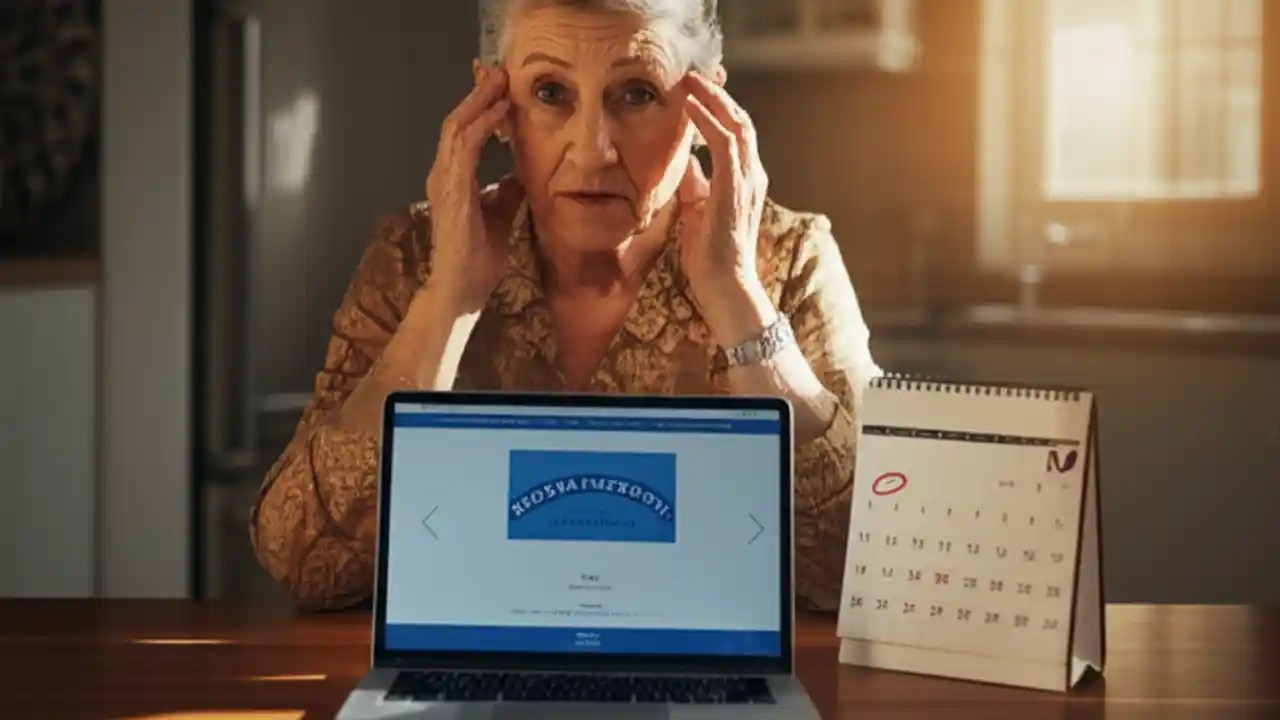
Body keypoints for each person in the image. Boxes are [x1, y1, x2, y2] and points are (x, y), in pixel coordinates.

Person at [249, 0, 882, 613]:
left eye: (637, 94)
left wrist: (736, 292)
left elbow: (872, 569)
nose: (592, 150)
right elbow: (303, 559)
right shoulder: (417, 256)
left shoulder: (789, 257)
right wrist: (449, 299)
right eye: (551, 93)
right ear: (496, 105)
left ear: (703, 107)